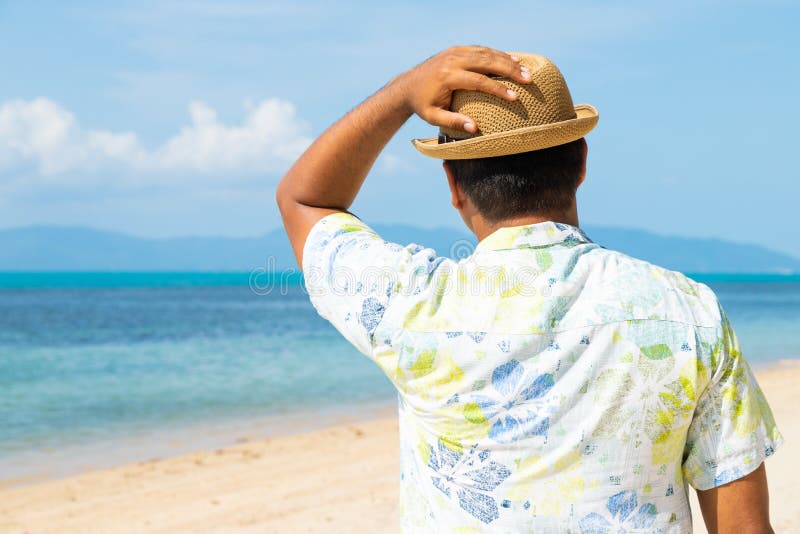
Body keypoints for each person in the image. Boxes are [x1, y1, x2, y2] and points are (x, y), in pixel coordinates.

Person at [276, 46, 782, 533]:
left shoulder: (414, 303)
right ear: (581, 162)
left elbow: (304, 199)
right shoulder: (687, 311)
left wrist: (405, 91)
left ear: (452, 185)